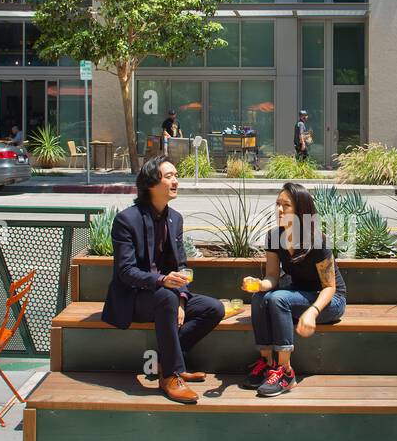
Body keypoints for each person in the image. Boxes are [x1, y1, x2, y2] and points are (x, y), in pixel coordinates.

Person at [102, 156, 224, 404]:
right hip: (133, 298)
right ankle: (170, 375)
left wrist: (181, 298)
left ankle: (168, 360)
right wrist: (161, 281)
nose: (176, 181)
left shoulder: (175, 218)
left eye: (176, 175)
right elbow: (125, 272)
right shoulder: (127, 220)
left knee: (214, 308)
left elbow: (180, 266)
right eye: (169, 176)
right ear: (151, 183)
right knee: (166, 297)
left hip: (167, 296)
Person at [241, 181, 346, 397]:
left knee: (279, 299)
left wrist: (312, 312)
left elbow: (330, 287)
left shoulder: (317, 240)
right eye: (278, 204)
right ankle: (267, 361)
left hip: (329, 300)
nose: (279, 209)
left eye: (286, 205)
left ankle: (286, 372)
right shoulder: (273, 236)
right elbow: (272, 276)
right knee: (261, 298)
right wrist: (260, 285)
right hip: (298, 293)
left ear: (300, 210)